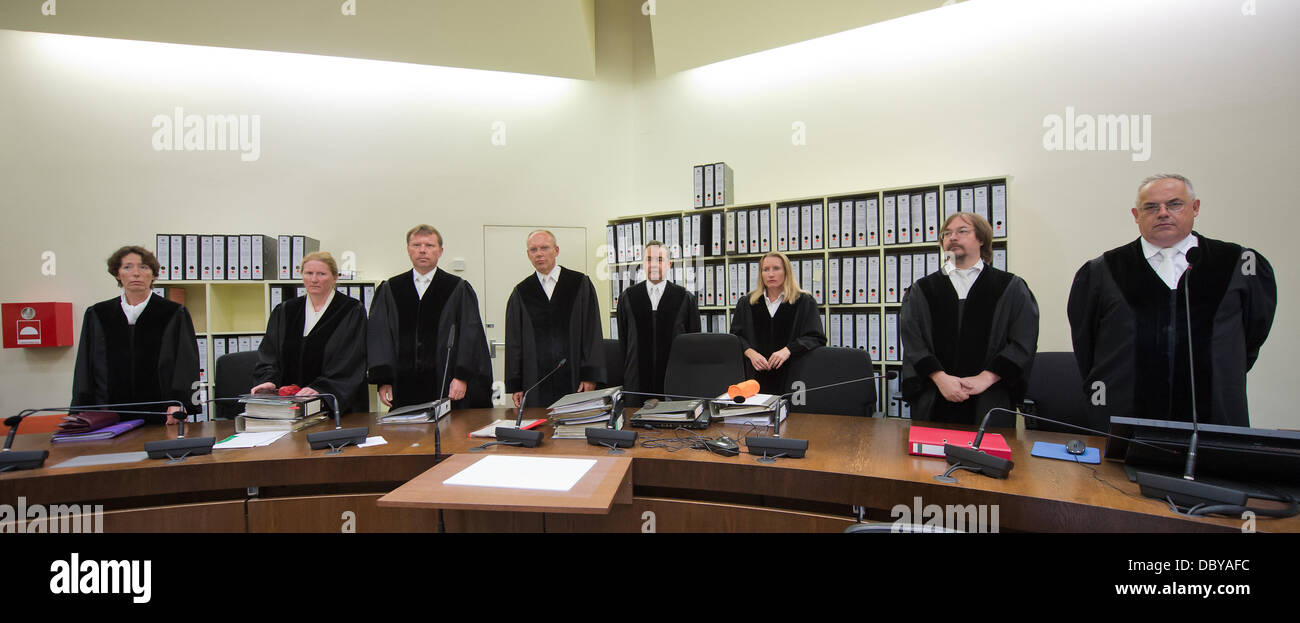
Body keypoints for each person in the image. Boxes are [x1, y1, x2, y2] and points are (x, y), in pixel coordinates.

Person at [1068, 174, 1275, 427]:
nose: (1163, 213)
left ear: (1195, 208)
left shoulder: (1238, 265)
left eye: (1174, 204)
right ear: (1136, 214)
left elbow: (1253, 334)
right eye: (1151, 207)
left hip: (1214, 414)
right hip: (1125, 415)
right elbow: (1086, 344)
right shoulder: (1102, 271)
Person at [899, 213, 1039, 426]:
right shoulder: (922, 289)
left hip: (990, 398)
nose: (952, 237)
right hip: (935, 396)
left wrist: (985, 379)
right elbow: (913, 342)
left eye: (962, 231)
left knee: (987, 458)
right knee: (930, 457)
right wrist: (940, 378)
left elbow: (1023, 341)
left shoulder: (1010, 287)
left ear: (981, 239)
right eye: (947, 233)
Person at [367, 225, 493, 410]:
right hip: (403, 384)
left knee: (447, 434)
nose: (422, 250)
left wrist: (461, 376)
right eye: (416, 245)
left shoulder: (457, 288)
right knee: (405, 434)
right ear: (408, 249)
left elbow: (470, 335)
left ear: (440, 251)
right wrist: (383, 380)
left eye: (429, 245)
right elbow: (380, 337)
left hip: (446, 381)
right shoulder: (391, 289)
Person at [71, 245, 199, 424]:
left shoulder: (173, 313)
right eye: (127, 267)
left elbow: (186, 365)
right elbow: (84, 366)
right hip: (107, 415)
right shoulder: (98, 314)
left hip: (162, 413)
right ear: (117, 274)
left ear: (153, 275)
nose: (136, 273)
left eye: (143, 267)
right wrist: (81, 408)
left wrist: (181, 403)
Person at [251, 251, 368, 413]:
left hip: (334, 402)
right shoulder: (285, 311)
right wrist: (268, 380)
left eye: (321, 274)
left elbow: (351, 358)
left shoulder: (351, 310)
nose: (314, 279)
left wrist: (321, 388)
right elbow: (269, 353)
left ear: (335, 278)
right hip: (290, 404)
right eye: (309, 273)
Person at [505, 229, 605, 409]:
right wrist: (516, 384)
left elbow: (592, 333)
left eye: (544, 248)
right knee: (538, 428)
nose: (539, 254)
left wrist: (591, 375)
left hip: (575, 380)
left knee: (573, 428)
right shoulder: (522, 292)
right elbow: (514, 342)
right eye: (533, 250)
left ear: (556, 250)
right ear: (528, 254)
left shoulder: (579, 284)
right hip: (535, 383)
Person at [616, 241, 701, 405]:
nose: (654, 265)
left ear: (669, 264)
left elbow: (693, 347)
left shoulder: (684, 298)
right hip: (636, 383)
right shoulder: (628, 298)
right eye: (649, 259)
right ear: (643, 264)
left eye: (660, 259)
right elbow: (623, 344)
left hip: (675, 382)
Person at [729, 252, 826, 395]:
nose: (770, 274)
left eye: (776, 268)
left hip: (793, 377)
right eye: (765, 269)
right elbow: (736, 336)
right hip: (755, 378)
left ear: (786, 271)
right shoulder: (747, 303)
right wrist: (751, 353)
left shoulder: (804, 301)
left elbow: (816, 337)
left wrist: (788, 350)